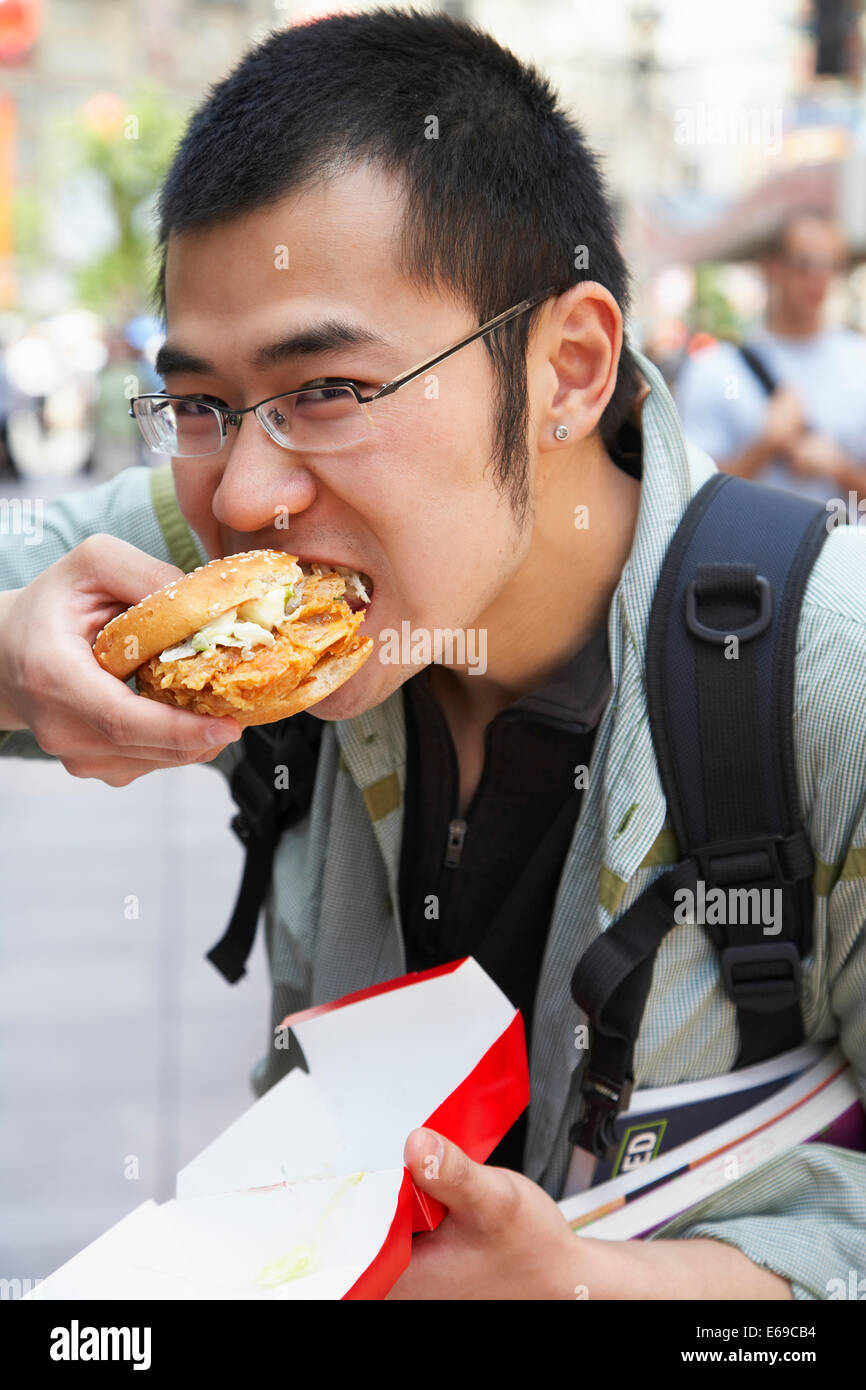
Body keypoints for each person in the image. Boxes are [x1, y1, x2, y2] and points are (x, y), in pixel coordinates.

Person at [0, 10, 864, 1301]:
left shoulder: (825, 672)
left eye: (328, 391)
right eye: (197, 403)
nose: (241, 496)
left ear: (566, 367)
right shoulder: (236, 554)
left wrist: (596, 1287)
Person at [676, 211, 866, 505]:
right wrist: (764, 446)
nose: (819, 277)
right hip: (748, 549)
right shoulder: (716, 369)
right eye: (804, 264)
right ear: (772, 268)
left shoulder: (858, 359)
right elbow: (688, 493)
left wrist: (837, 468)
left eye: (831, 265)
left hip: (844, 546)